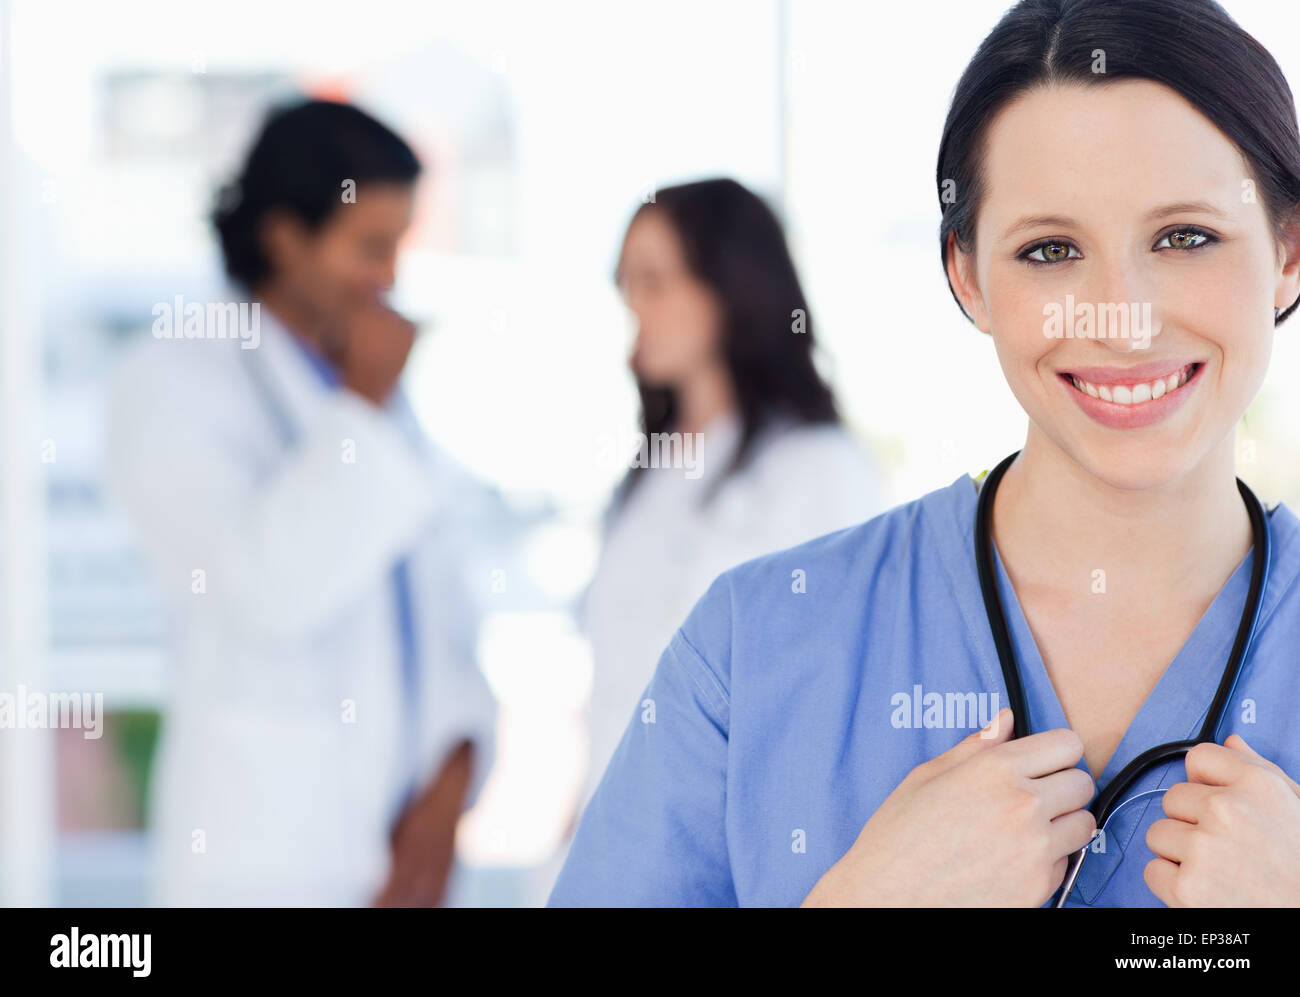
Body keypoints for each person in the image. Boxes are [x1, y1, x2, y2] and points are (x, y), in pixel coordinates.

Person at [549, 0, 1300, 908]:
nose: (1120, 316)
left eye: (1186, 237)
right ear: (968, 275)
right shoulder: (753, 648)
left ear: (1288, 252)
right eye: (1051, 249)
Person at [104, 99, 496, 906]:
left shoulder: (379, 400)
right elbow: (263, 589)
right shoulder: (174, 380)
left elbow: (444, 613)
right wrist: (361, 403)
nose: (389, 279)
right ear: (285, 237)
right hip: (260, 861)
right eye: (369, 248)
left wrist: (455, 767)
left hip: (402, 861)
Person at [575, 178, 884, 819]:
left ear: (730, 286)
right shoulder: (647, 473)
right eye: (626, 283)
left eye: (656, 280)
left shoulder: (817, 468)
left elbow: (840, 706)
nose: (635, 304)